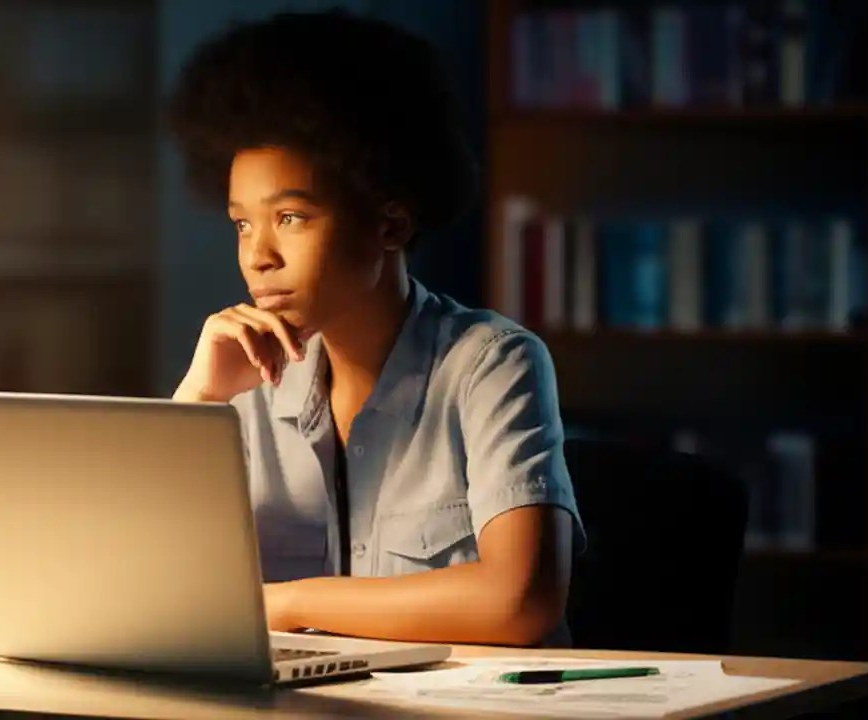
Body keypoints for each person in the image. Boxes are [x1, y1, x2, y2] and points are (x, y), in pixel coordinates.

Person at [167, 10, 583, 647]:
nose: (258, 256)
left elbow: (520, 601)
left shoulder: (492, 365)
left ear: (389, 226)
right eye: (243, 224)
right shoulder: (244, 381)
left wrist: (280, 605)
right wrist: (196, 401)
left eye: (292, 217)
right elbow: (151, 592)